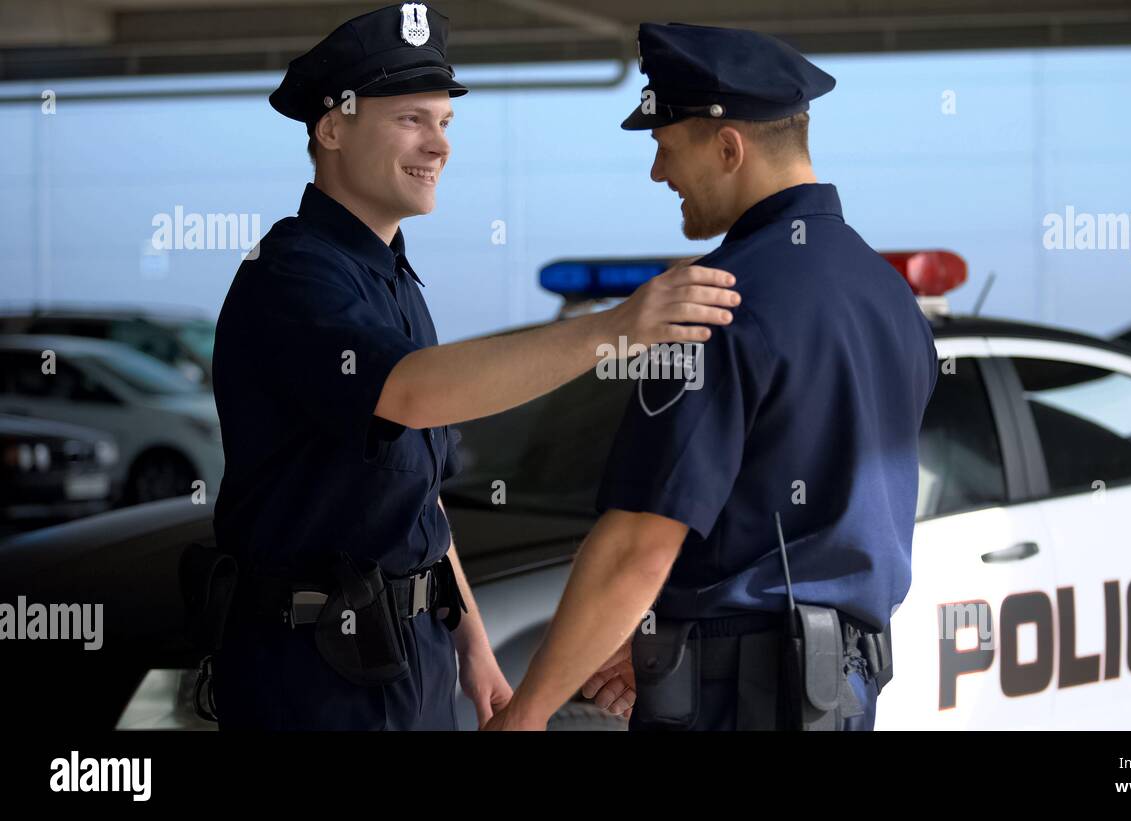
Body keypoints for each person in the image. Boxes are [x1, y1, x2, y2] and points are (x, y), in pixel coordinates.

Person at [209, 6, 740, 731]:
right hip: (314, 678)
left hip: (409, 660)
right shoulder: (293, 273)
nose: (439, 146)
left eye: (445, 123)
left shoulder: (393, 280)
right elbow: (411, 394)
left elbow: (418, 500)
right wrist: (618, 326)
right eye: (411, 121)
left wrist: (473, 645)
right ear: (331, 128)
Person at [485, 22, 937, 731]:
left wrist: (527, 713)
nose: (659, 174)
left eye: (667, 150)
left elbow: (639, 541)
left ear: (729, 148)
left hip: (739, 702)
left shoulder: (715, 301)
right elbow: (806, 516)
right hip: (837, 693)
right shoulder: (888, 295)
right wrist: (680, 647)